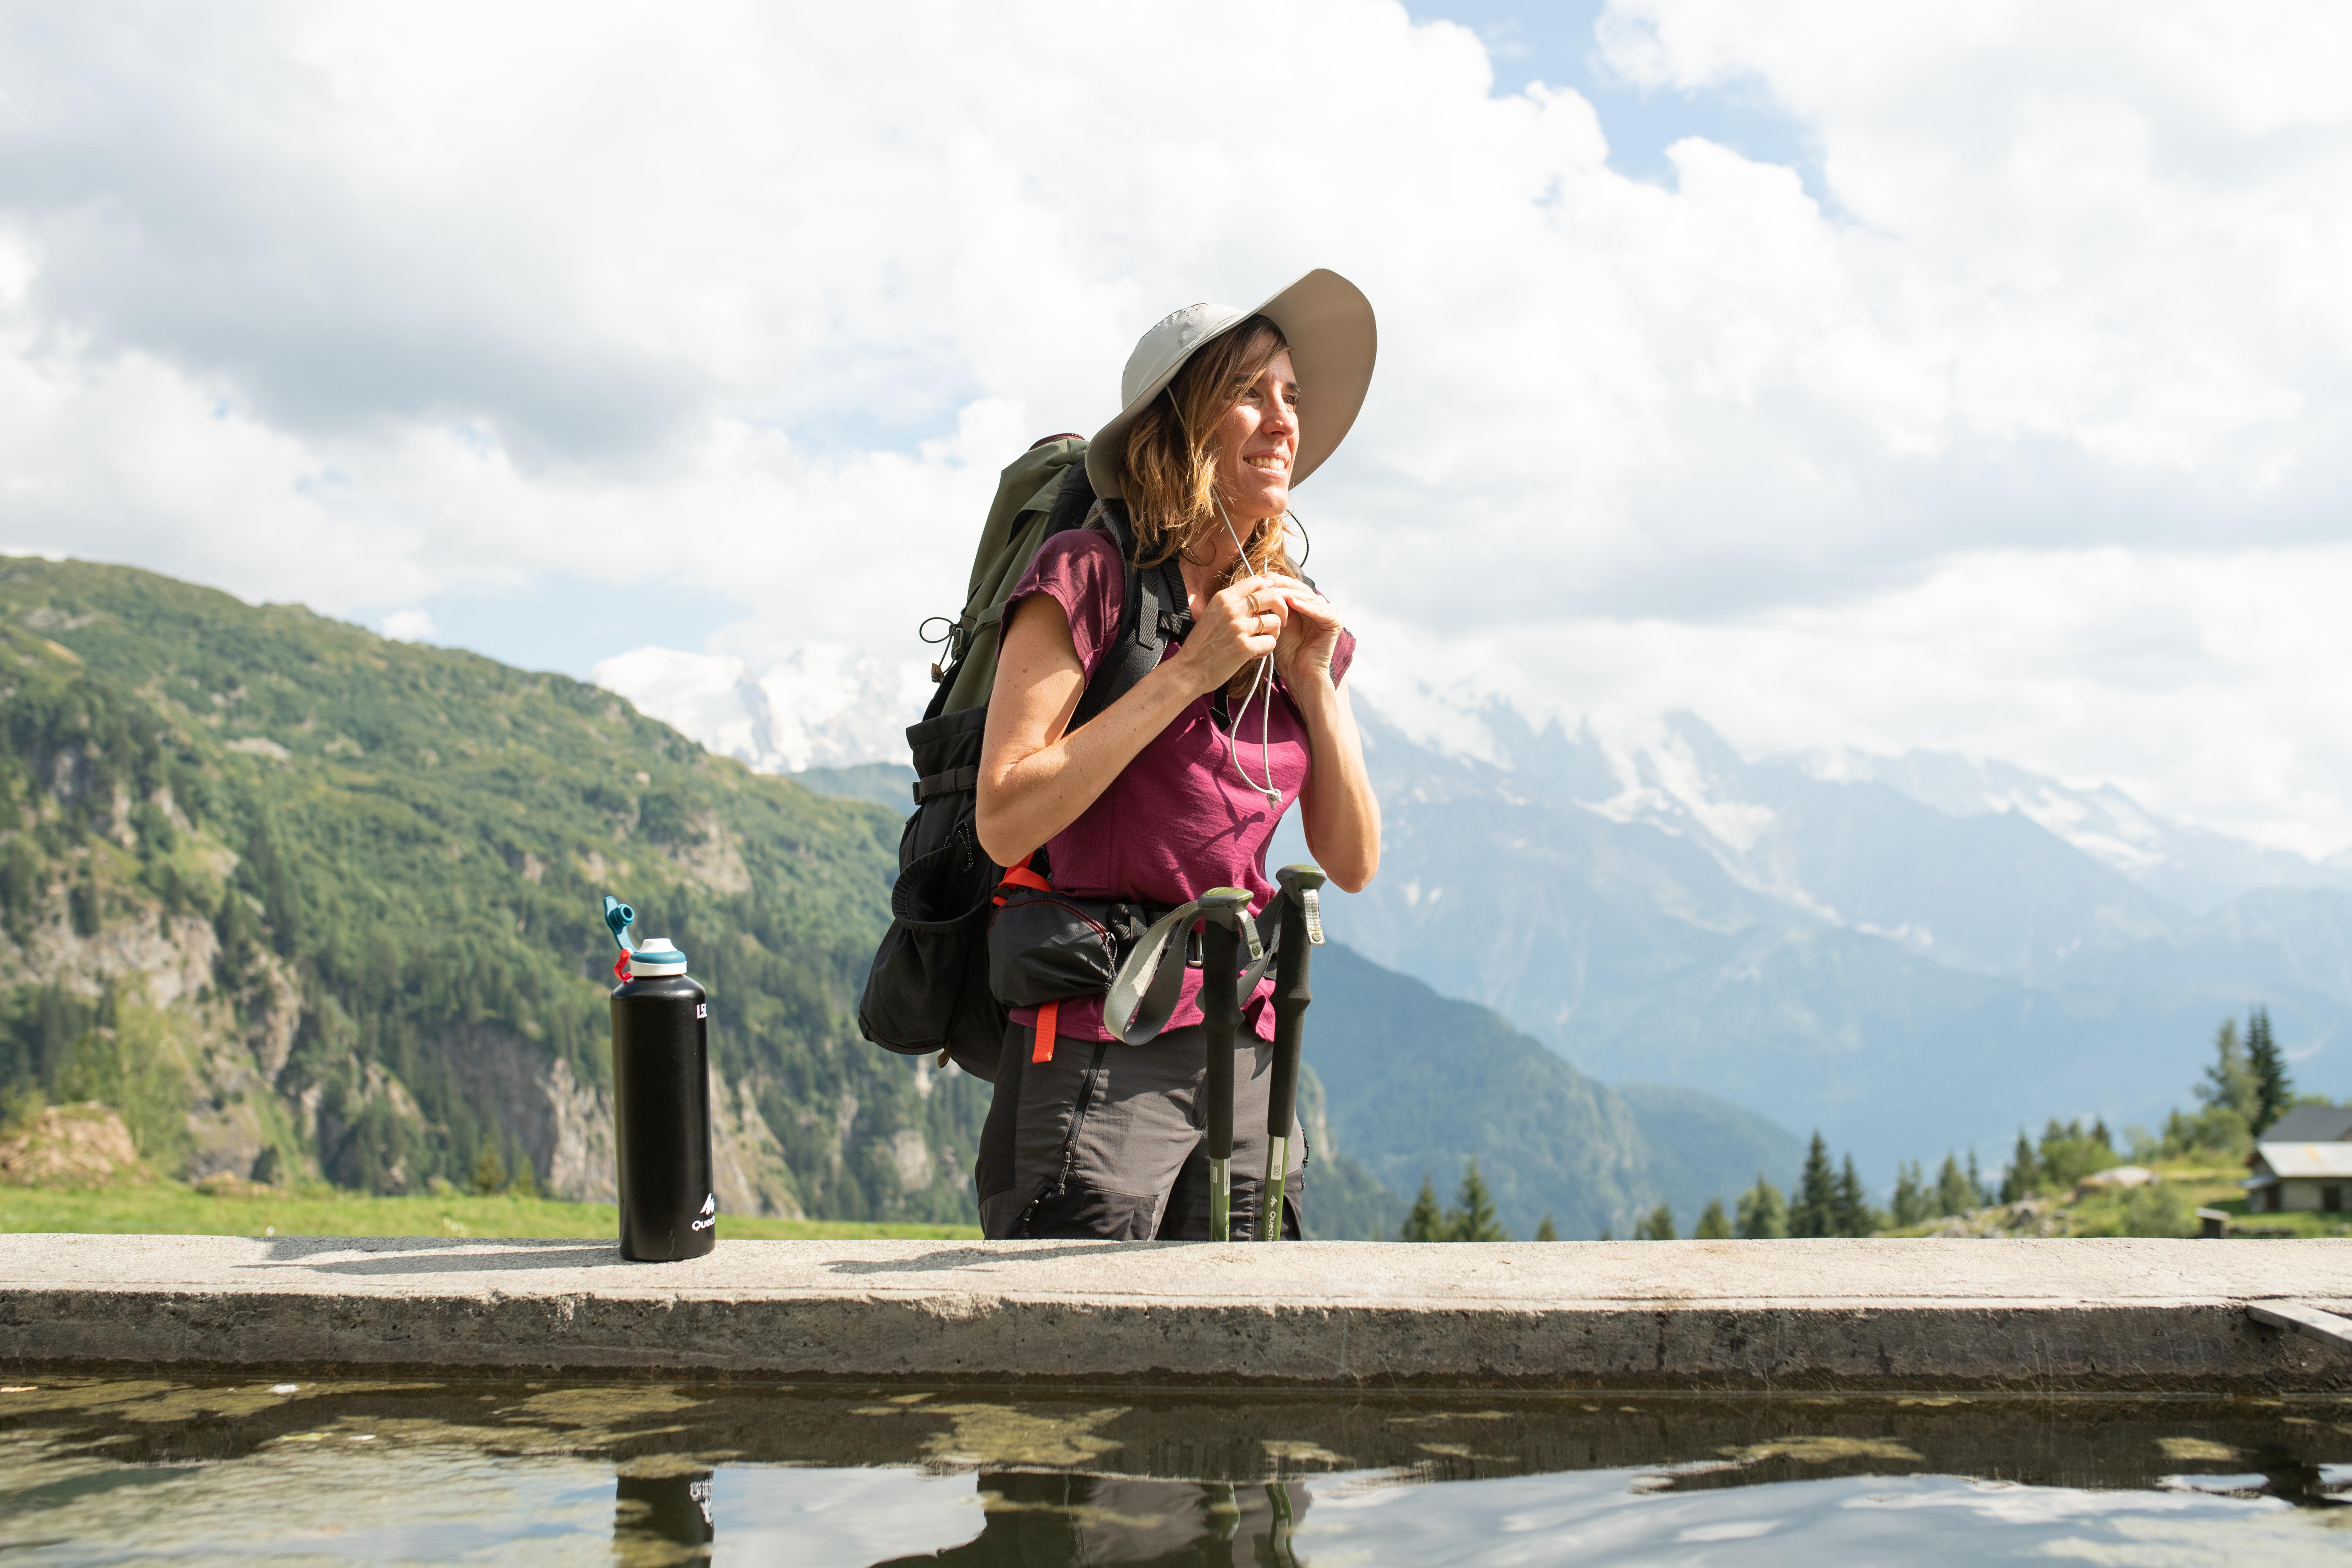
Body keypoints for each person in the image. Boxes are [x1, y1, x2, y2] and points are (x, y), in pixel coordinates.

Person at [971, 271, 1381, 1240]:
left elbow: (1355, 861)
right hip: (1099, 1033)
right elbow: (1004, 816)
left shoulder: (1290, 612)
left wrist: (1317, 683)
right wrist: (1189, 673)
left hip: (1246, 1038)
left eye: (1291, 394)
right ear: (1180, 429)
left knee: (1243, 1357)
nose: (1285, 419)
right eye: (1250, 391)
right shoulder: (1088, 574)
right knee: (1077, 1348)